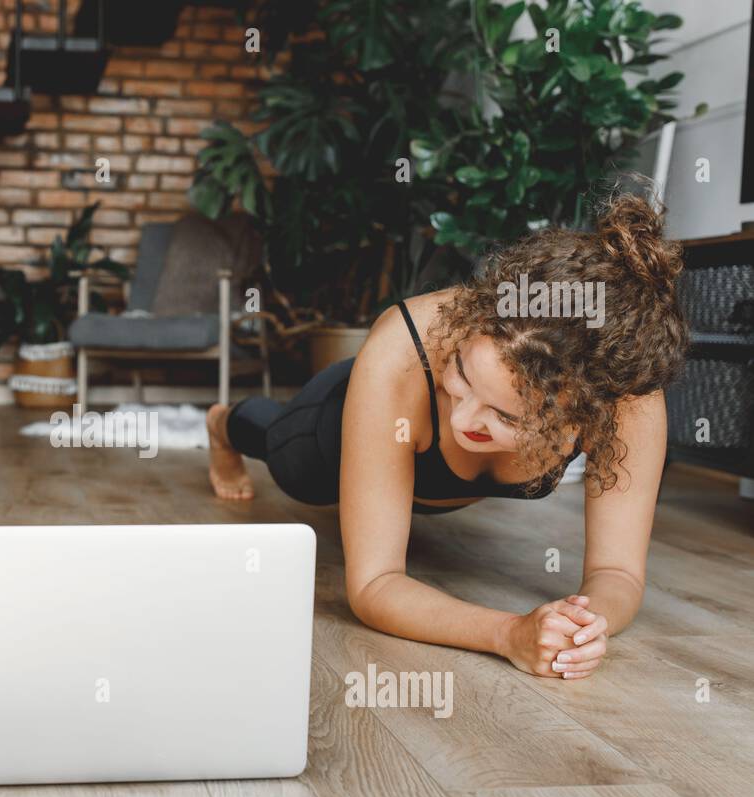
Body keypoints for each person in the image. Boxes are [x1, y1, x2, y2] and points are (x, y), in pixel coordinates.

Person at [206, 193, 688, 680]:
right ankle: (224, 423)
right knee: (287, 456)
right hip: (332, 425)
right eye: (460, 375)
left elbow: (619, 573)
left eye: (508, 417)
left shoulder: (625, 394)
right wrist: (507, 633)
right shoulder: (400, 350)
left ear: (585, 417)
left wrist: (584, 625)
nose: (462, 421)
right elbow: (375, 584)